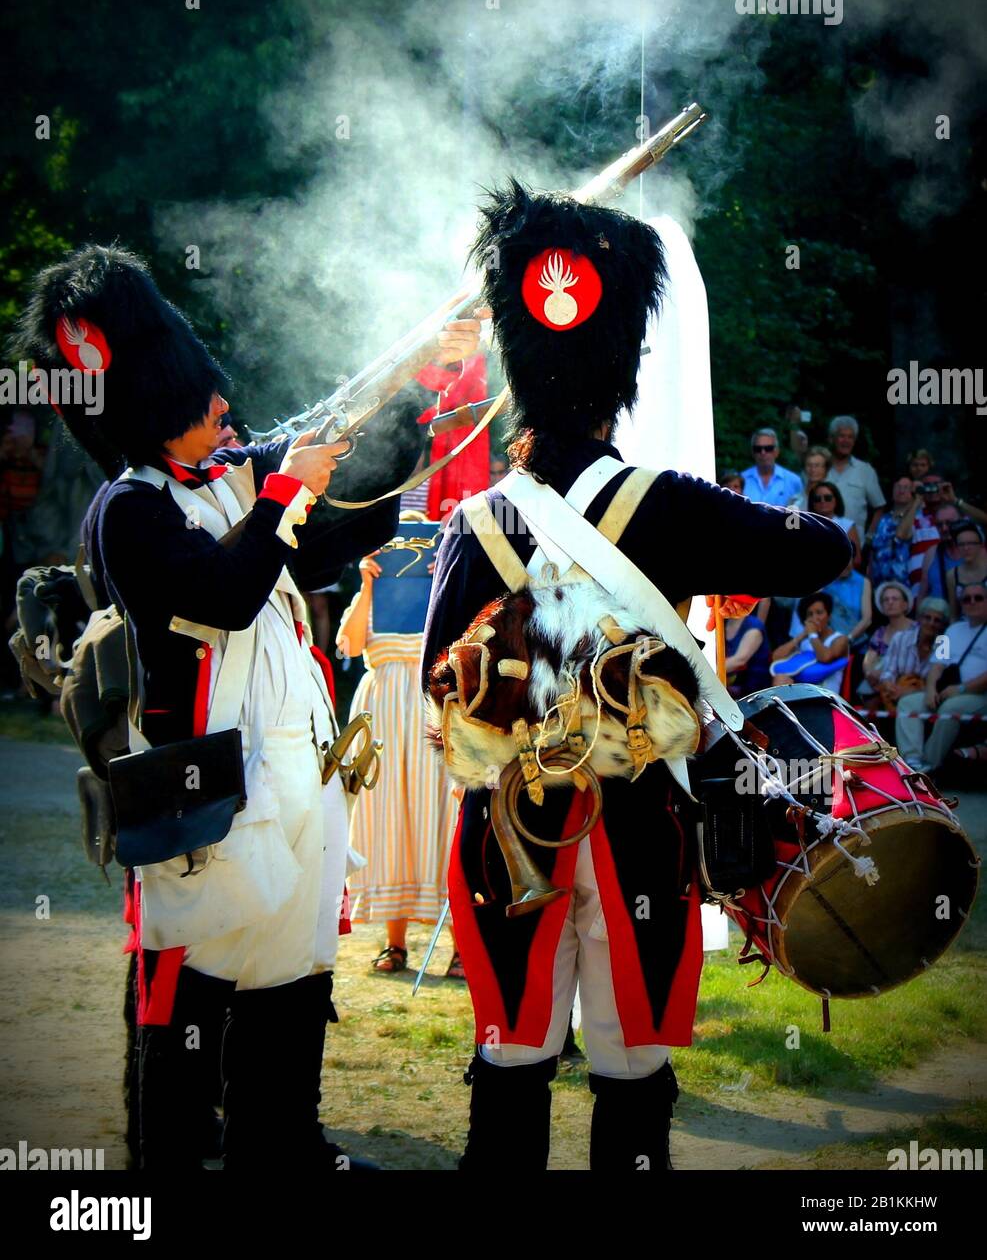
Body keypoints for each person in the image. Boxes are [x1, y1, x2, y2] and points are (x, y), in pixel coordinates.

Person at [12, 242, 479, 1170]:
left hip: (293, 781)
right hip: (201, 798)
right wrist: (283, 491)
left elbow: (349, 512)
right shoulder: (128, 510)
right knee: (189, 997)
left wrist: (419, 384)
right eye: (203, 399)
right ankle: (170, 1159)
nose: (225, 406)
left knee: (291, 975)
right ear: (157, 408)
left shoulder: (232, 479)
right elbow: (223, 594)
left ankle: (282, 1144)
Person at [420, 180, 851, 1172]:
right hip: (635, 829)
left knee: (514, 1062)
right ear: (623, 370)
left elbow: (441, 690)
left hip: (508, 834)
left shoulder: (475, 522)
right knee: (630, 1069)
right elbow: (820, 547)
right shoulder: (668, 506)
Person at [336, 529, 461, 979]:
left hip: (432, 705)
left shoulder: (443, 591)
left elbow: (463, 642)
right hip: (384, 706)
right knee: (389, 817)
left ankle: (460, 945)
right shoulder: (371, 589)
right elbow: (348, 646)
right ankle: (395, 944)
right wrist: (367, 584)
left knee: (440, 817)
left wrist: (440, 581)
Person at [895, 582, 987, 775]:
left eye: (978, 598)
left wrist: (961, 689)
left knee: (949, 709)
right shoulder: (952, 630)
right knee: (908, 704)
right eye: (966, 599)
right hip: (947, 690)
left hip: (978, 695)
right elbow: (937, 665)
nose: (972, 602)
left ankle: (929, 766)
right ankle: (912, 762)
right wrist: (930, 690)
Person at [874, 597, 949, 713]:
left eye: (937, 620)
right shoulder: (900, 639)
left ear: (943, 625)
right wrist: (890, 686)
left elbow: (939, 684)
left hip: (925, 697)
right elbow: (888, 672)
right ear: (919, 619)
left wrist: (909, 691)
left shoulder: (943, 644)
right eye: (927, 618)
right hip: (895, 692)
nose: (931, 623)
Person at [867, 476, 938, 593]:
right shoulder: (883, 519)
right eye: (898, 487)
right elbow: (872, 552)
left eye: (906, 487)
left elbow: (902, 535)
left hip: (904, 584)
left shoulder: (919, 517)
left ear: (912, 492)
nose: (901, 490)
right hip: (879, 585)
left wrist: (917, 500)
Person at [771, 592, 850, 691]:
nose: (814, 618)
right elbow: (776, 657)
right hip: (802, 692)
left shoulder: (840, 639)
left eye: (819, 612)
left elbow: (825, 658)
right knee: (780, 679)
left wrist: (812, 634)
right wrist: (802, 635)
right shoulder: (805, 640)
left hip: (826, 697)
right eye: (810, 614)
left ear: (828, 615)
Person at [826, 415, 886, 543]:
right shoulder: (819, 468)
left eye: (850, 437)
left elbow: (879, 507)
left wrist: (870, 537)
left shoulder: (865, 470)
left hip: (855, 546)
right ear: (832, 439)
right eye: (842, 436)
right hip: (822, 542)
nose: (846, 441)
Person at [861, 580, 916, 694]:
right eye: (886, 599)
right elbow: (869, 660)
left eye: (895, 599)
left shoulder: (916, 629)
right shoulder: (880, 633)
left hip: (908, 680)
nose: (890, 602)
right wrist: (870, 673)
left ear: (905, 605)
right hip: (880, 682)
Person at [806, 480, 861, 568]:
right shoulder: (806, 525)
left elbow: (857, 559)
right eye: (817, 499)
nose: (822, 501)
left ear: (836, 500)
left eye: (827, 498)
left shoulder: (848, 525)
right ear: (812, 503)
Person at [740, 428, 802, 506]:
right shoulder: (742, 479)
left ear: (777, 452)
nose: (763, 453)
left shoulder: (793, 481)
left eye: (768, 448)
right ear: (753, 452)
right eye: (758, 449)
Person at [723, 608, 772, 697]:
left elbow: (739, 661)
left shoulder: (754, 626)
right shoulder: (722, 623)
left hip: (754, 693)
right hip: (730, 686)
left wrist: (707, 671)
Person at [945, 520, 987, 621]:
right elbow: (954, 613)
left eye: (971, 544)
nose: (966, 548)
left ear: (981, 545)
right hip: (966, 625)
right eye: (961, 544)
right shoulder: (952, 575)